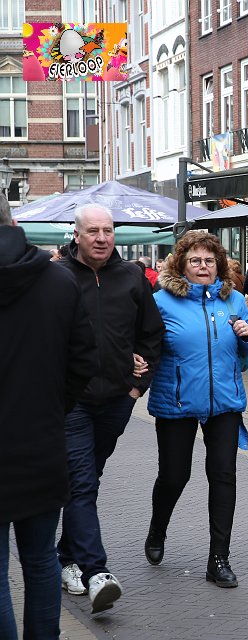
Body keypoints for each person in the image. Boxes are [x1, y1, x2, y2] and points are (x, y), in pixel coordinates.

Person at [57, 203, 165, 613]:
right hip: (72, 403)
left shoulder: (131, 277)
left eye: (108, 231)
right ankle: (96, 572)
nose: (102, 238)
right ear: (77, 235)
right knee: (82, 482)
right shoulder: (58, 278)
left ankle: (64, 557)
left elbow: (151, 335)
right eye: (93, 231)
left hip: (118, 400)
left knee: (88, 479)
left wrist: (137, 387)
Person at [0, 194, 97, 640]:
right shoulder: (59, 282)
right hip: (42, 441)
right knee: (40, 560)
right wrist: (52, 406)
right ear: (13, 220)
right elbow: (84, 360)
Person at [146, 231, 248, 589]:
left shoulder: (234, 299)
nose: (203, 266)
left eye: (209, 260)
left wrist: (247, 333)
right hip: (177, 402)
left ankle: (219, 559)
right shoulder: (161, 302)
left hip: (224, 402)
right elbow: (144, 346)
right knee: (174, 476)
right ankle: (158, 529)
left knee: (224, 476)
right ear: (181, 265)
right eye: (195, 260)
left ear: (219, 264)